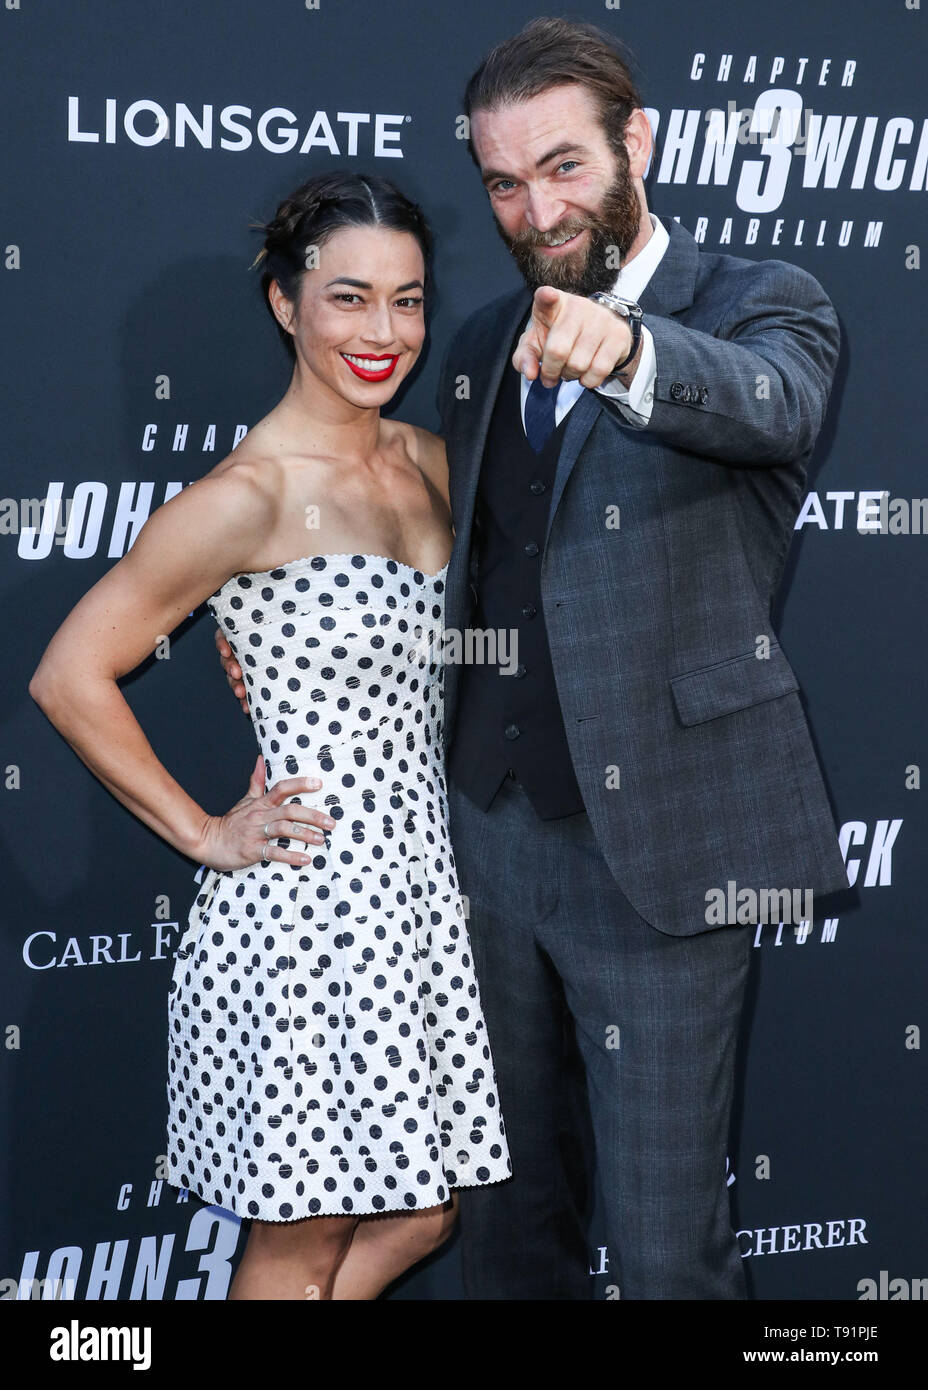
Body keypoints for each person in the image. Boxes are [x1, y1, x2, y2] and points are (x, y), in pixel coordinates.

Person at [223, 18, 858, 1302]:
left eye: (564, 167)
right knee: (509, 1238)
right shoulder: (474, 347)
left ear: (639, 143)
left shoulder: (759, 303)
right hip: (481, 849)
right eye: (504, 183)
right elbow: (457, 564)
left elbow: (773, 405)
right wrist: (295, 666)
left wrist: (628, 349)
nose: (537, 210)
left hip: (664, 860)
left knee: (667, 1254)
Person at [28, 170, 511, 1301]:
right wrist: (206, 834)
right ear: (285, 304)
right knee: (306, 1230)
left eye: (407, 300)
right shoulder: (245, 495)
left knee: (425, 1210)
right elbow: (68, 674)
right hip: (309, 913)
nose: (383, 332)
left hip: (419, 895)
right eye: (348, 298)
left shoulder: (432, 461)